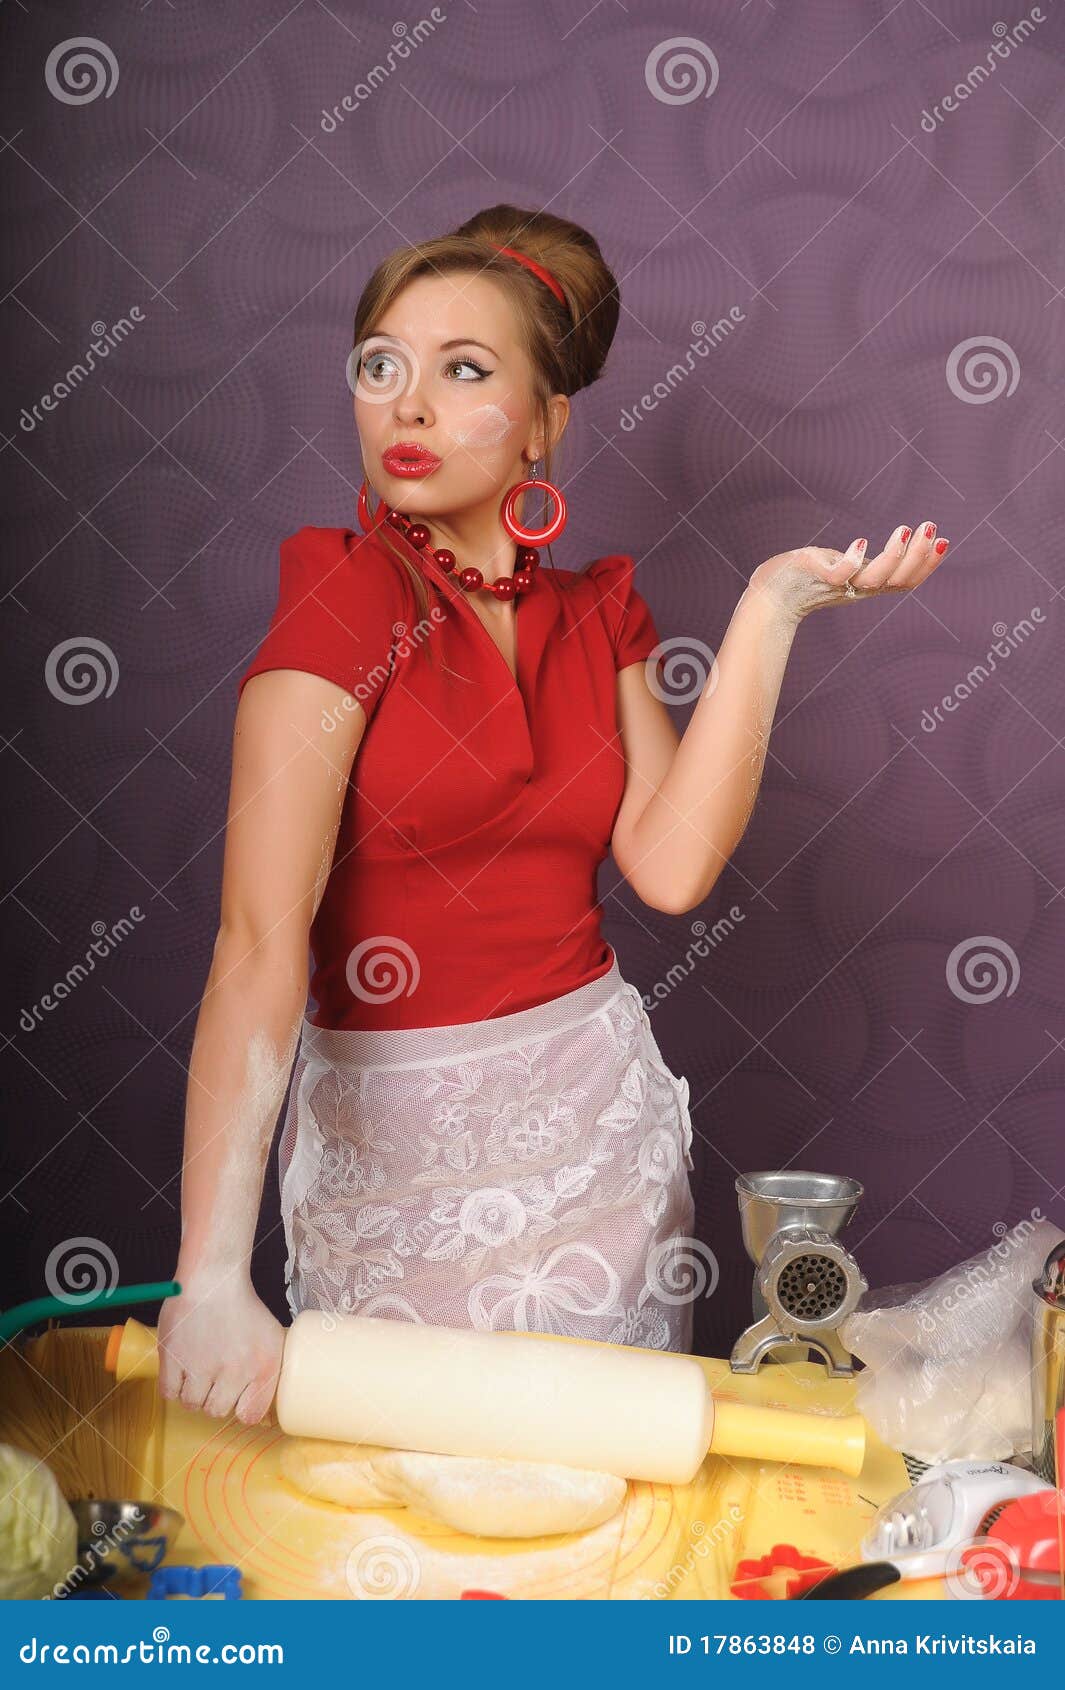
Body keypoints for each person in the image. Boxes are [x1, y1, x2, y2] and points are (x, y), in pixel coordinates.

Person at [156, 205, 950, 1425]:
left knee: (606, 1521)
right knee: (409, 1525)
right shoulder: (341, 598)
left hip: (599, 1144)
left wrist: (771, 608)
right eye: (382, 366)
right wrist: (209, 1272)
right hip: (396, 1164)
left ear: (545, 422)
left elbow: (672, 866)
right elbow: (259, 942)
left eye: (462, 370)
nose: (406, 405)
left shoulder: (598, 617)